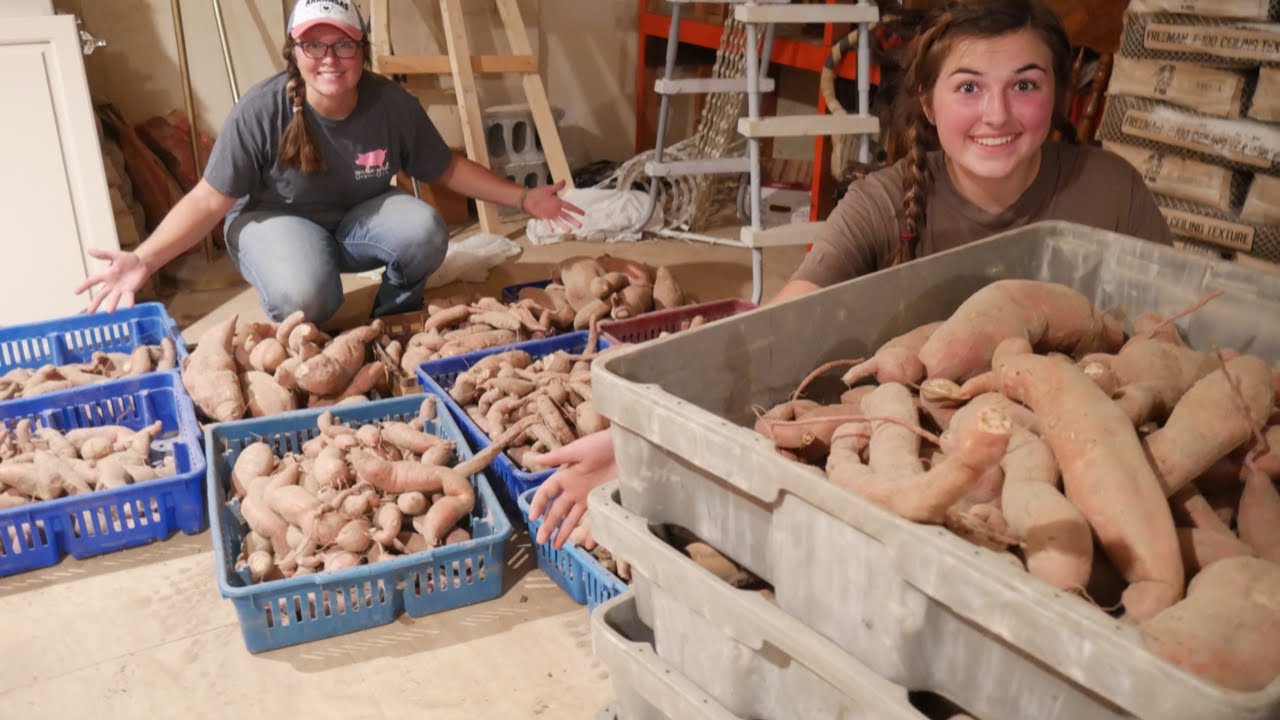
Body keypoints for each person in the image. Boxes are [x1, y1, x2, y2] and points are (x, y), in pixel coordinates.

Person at [527, 0, 1173, 550]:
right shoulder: (881, 203)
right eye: (969, 87)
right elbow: (773, 333)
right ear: (927, 102)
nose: (997, 114)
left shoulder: (1111, 191)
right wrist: (638, 439)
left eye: (1025, 85)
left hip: (1088, 451)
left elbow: (1166, 339)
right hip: (921, 459)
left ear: (1057, 93)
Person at [76, 0, 583, 322]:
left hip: (357, 220)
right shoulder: (261, 110)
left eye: (343, 44)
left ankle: (394, 313)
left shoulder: (392, 106)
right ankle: (309, 304)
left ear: (362, 49)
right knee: (306, 297)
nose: (329, 58)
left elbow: (445, 169)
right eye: (314, 44)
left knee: (426, 228)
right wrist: (145, 259)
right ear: (294, 51)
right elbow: (210, 199)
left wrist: (523, 197)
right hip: (275, 220)